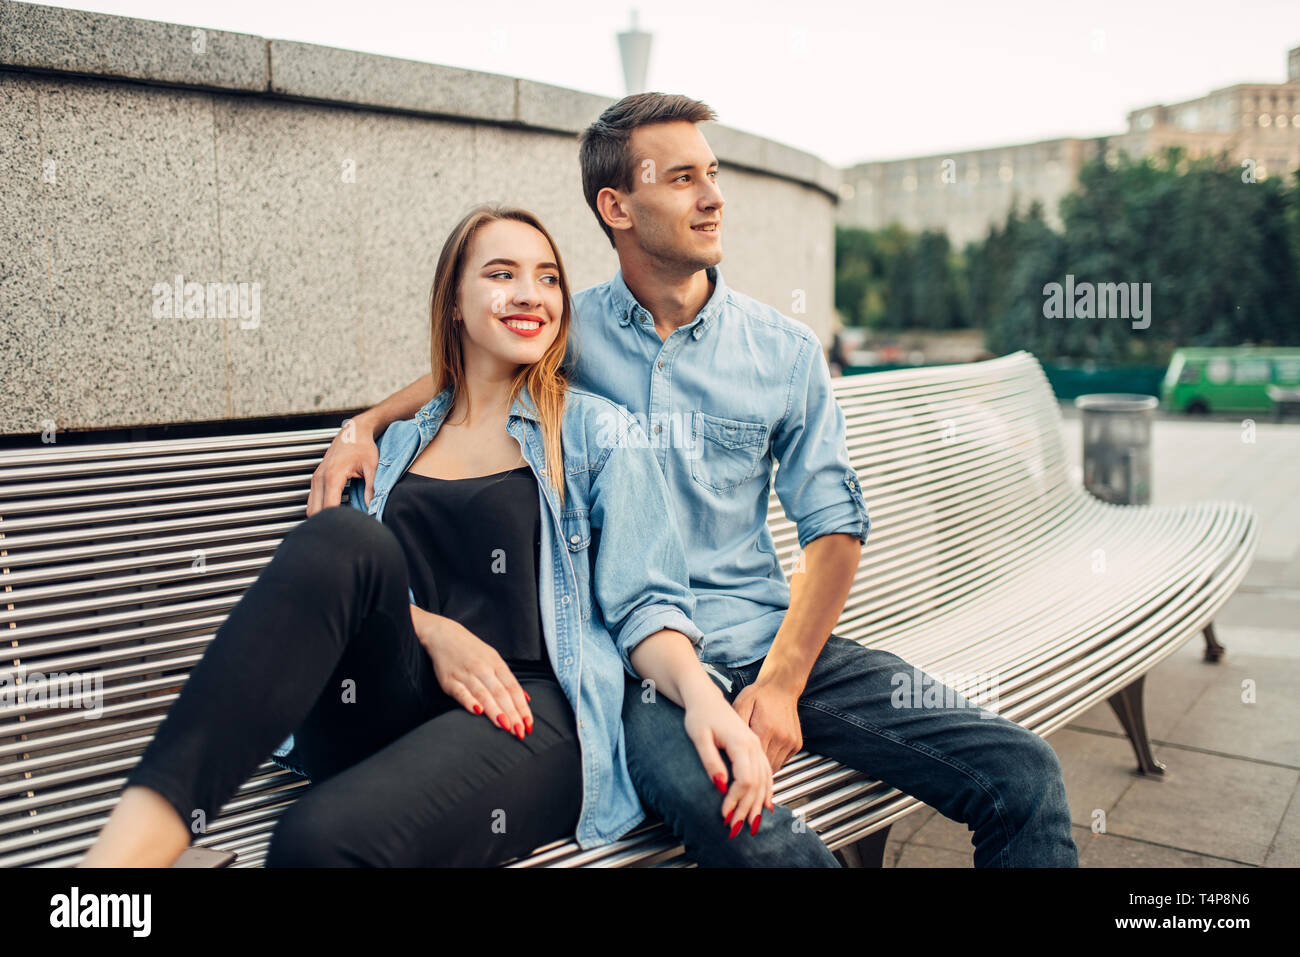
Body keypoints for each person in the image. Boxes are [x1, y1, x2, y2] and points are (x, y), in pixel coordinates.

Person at [309, 93, 1080, 867]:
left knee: (1023, 774)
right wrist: (363, 426)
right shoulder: (564, 334)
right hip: (640, 672)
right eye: (682, 178)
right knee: (762, 841)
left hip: (772, 639)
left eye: (712, 174)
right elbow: (459, 371)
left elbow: (835, 529)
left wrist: (780, 686)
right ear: (617, 205)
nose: (713, 197)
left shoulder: (783, 351)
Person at [80, 204, 779, 867]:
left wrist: (703, 698)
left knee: (314, 842)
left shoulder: (596, 432)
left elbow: (646, 605)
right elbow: (341, 592)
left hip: (526, 710)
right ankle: (120, 861)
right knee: (343, 540)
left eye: (548, 277)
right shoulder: (393, 444)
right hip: (388, 700)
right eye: (500, 273)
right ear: (455, 301)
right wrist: (431, 629)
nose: (529, 293)